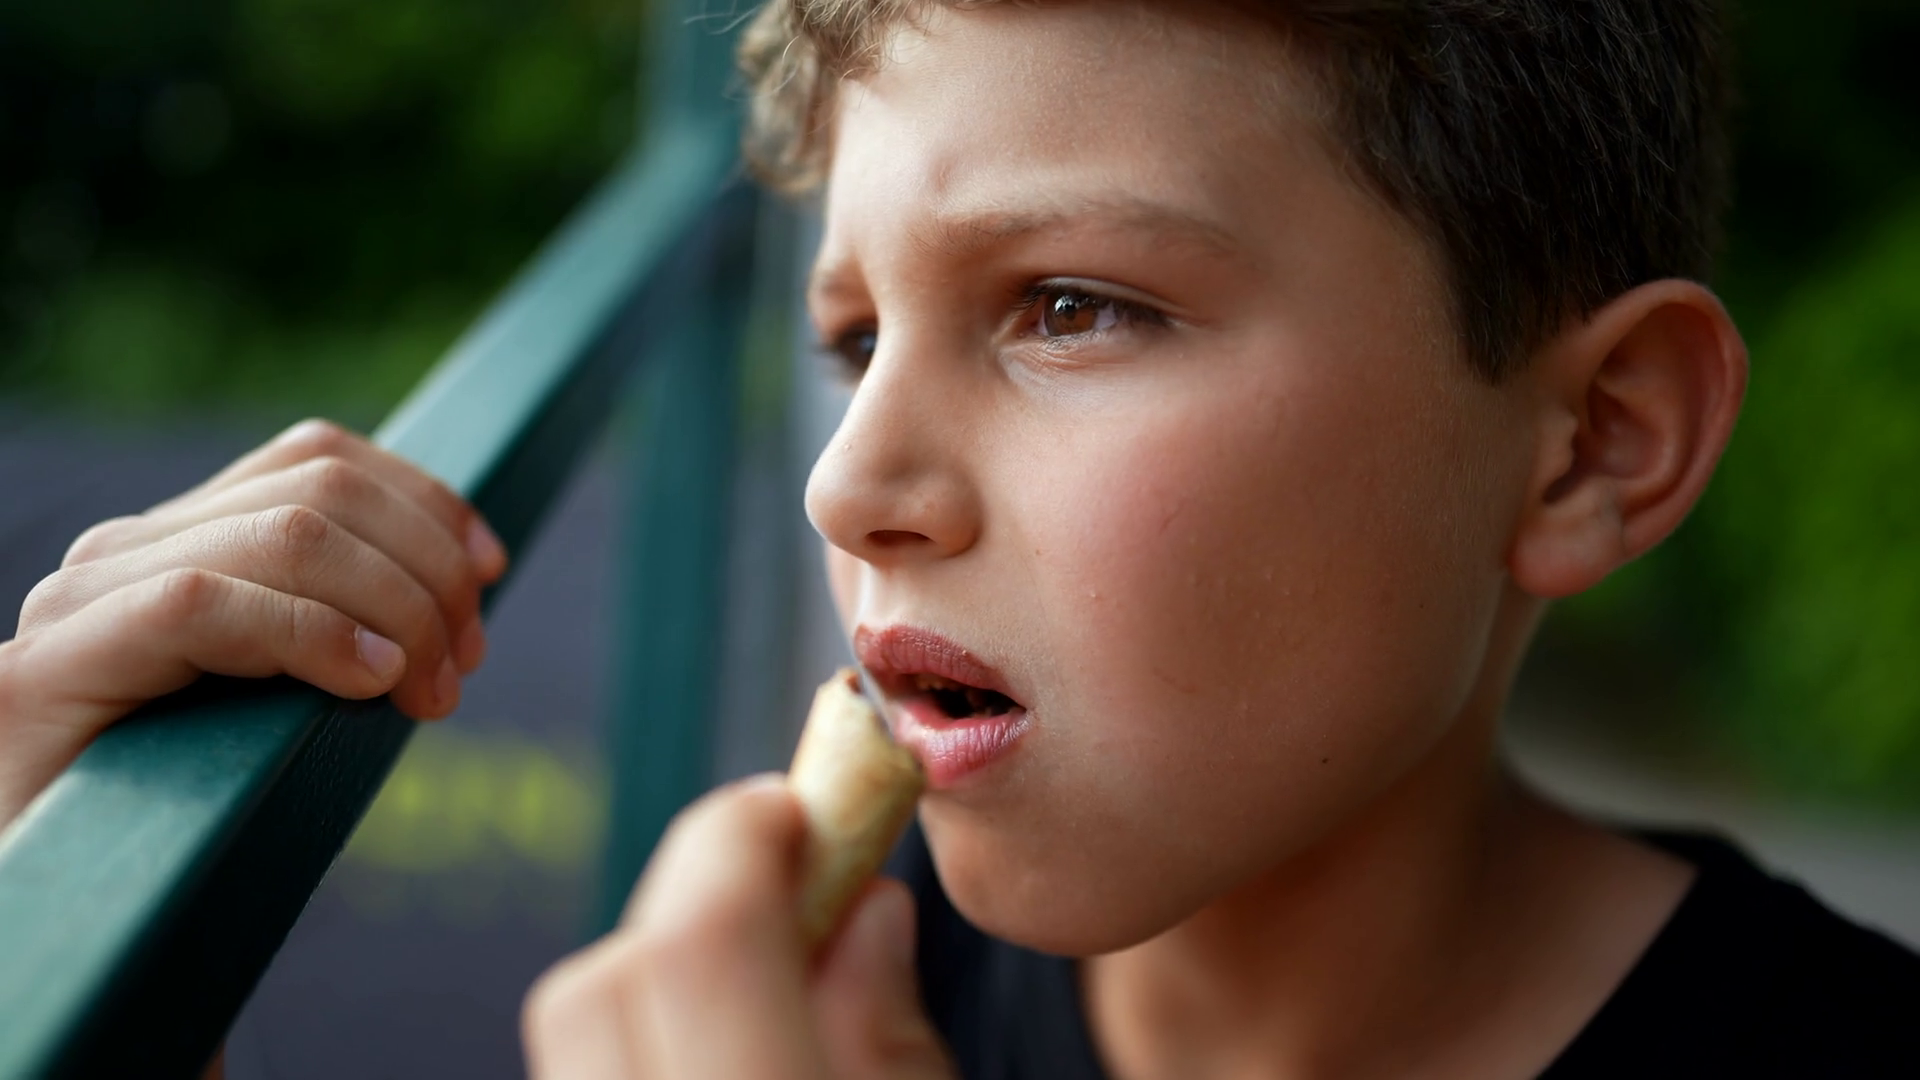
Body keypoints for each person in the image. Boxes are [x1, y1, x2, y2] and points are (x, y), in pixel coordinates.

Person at [3, 0, 1916, 1076]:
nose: (847, 484)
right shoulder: (816, 1000)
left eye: (1071, 306)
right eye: (853, 338)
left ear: (1592, 444)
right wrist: (70, 946)